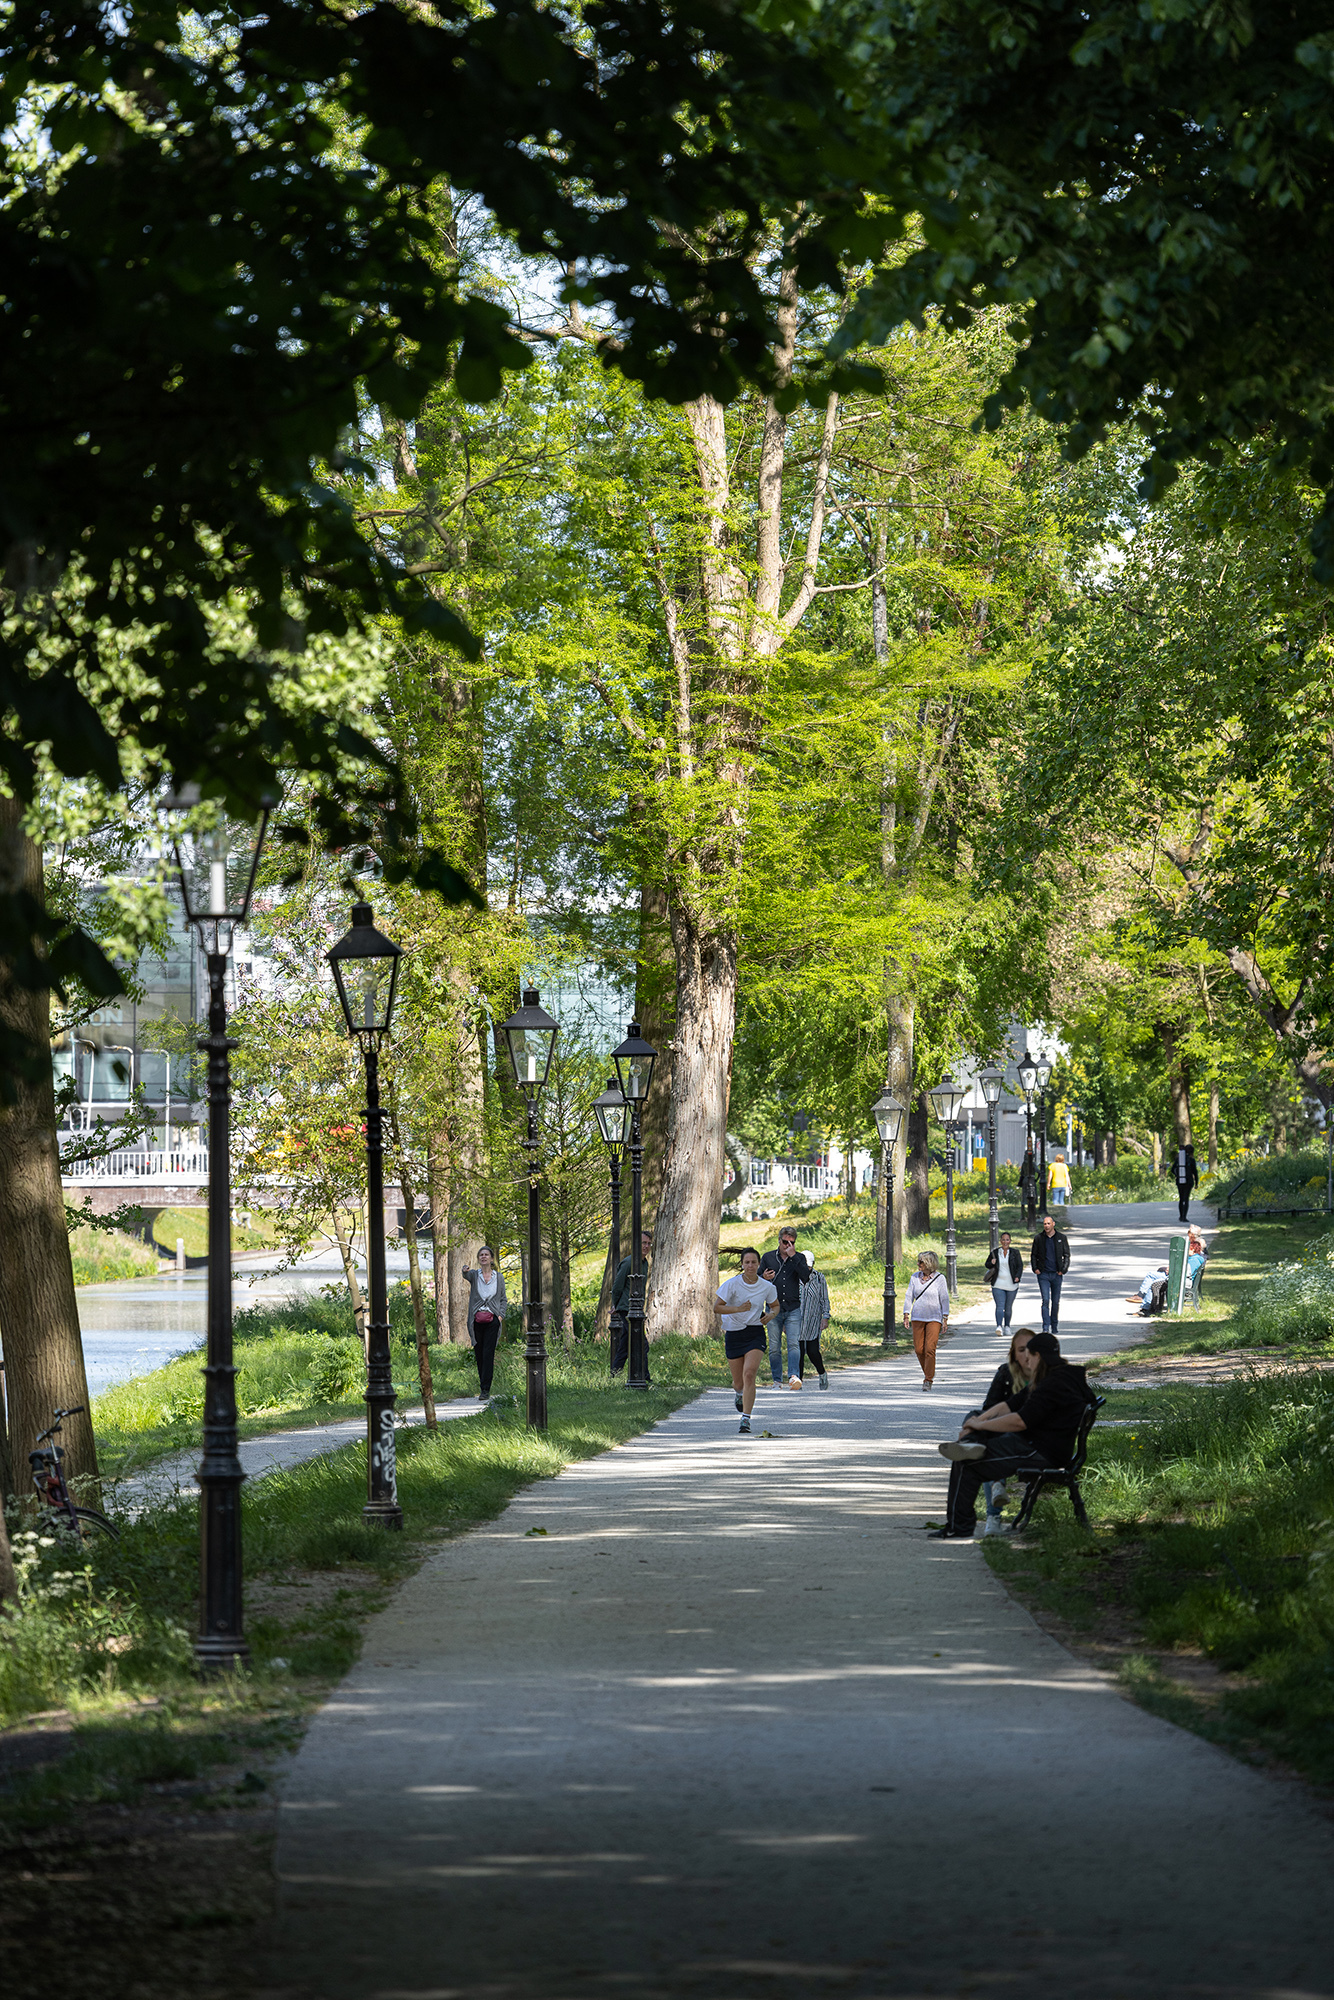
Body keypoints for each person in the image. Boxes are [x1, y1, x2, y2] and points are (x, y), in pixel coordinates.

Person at [930, 1329, 1094, 1538]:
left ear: (1038, 1357)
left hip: (1040, 1452)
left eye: (1030, 1356)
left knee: (967, 1463)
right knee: (974, 1434)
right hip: (1037, 1445)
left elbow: (1019, 1421)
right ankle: (971, 1444)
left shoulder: (1053, 1384)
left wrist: (980, 1427)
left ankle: (958, 1528)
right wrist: (978, 1421)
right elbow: (1010, 1405)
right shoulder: (1056, 1377)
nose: (1027, 1361)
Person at [972, 1331, 1034, 1535]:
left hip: (1032, 1440)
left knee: (990, 1445)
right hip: (1007, 1435)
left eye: (1031, 1350)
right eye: (1021, 1350)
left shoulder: (1045, 1378)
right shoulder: (1005, 1374)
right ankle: (996, 1488)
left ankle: (993, 1516)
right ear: (1014, 1354)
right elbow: (989, 1407)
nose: (1026, 1355)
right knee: (980, 1423)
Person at [712, 1247, 779, 1434]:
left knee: (749, 1374)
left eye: (754, 1262)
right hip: (734, 1333)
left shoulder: (767, 1287)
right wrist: (738, 1309)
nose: (750, 1266)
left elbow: (775, 1306)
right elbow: (717, 1308)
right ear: (742, 1264)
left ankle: (745, 1419)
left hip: (755, 1333)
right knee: (738, 1382)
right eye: (747, 1262)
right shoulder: (732, 1284)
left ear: (759, 1265)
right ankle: (739, 1393)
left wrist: (771, 1315)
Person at [759, 1225, 811, 1389]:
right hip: (773, 1309)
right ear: (779, 1240)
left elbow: (805, 1277)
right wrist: (764, 1277)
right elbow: (756, 1279)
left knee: (794, 1344)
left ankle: (794, 1377)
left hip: (793, 1308)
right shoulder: (768, 1257)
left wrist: (793, 1256)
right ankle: (776, 1380)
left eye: (791, 1242)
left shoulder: (799, 1258)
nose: (787, 1245)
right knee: (774, 1347)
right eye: (785, 1242)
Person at [462, 1246, 508, 1403]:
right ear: (478, 1258)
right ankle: (483, 1384)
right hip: (476, 1320)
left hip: (492, 1321)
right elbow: (465, 1274)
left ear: (492, 1258)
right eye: (481, 1255)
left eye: (486, 1255)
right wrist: (464, 1269)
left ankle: (485, 1389)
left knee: (488, 1353)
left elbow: (503, 1299)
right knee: (479, 1353)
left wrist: (500, 1316)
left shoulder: (499, 1277)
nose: (483, 1257)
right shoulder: (475, 1275)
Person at [903, 1248, 950, 1391]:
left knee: (930, 1349)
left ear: (929, 1263)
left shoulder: (940, 1278)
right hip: (918, 1317)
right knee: (919, 1349)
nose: (918, 1264)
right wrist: (906, 1314)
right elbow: (909, 1296)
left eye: (921, 1262)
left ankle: (928, 1379)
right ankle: (928, 1372)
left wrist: (945, 1317)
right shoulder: (914, 1277)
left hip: (934, 1317)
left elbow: (944, 1298)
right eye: (918, 1262)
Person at [610, 1229, 653, 1377]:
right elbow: (617, 1286)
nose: (646, 1246)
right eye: (643, 1243)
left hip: (636, 1309)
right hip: (626, 1308)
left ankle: (614, 1374)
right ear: (636, 1244)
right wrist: (616, 1304)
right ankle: (643, 1377)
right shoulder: (628, 1262)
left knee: (625, 1344)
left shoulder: (644, 1263)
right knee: (641, 1343)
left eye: (648, 1243)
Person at [1030, 1212, 1070, 1334]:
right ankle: (1045, 1326)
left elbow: (1066, 1255)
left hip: (1057, 1274)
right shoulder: (1038, 1238)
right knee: (1046, 1300)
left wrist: (1063, 1269)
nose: (1046, 1226)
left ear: (1053, 1224)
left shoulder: (1061, 1238)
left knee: (1055, 1301)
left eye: (1048, 1223)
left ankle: (1054, 1324)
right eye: (1044, 1224)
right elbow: (1033, 1255)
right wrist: (1035, 1268)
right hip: (1043, 1274)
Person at [797, 1251, 832, 1388]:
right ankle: (798, 1381)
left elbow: (824, 1299)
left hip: (813, 1320)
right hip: (797, 1320)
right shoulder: (793, 1277)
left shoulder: (819, 1278)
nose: (807, 1269)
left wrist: (825, 1317)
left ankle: (822, 1373)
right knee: (797, 1351)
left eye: (809, 1267)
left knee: (812, 1351)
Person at [983, 1231, 1023, 1333]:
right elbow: (987, 1264)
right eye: (1003, 1239)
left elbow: (1020, 1266)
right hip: (998, 1284)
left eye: (1007, 1239)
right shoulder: (995, 1252)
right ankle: (999, 1326)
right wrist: (991, 1263)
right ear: (1001, 1241)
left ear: (1010, 1241)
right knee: (1000, 1306)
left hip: (1011, 1284)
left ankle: (1007, 1326)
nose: (1005, 1242)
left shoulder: (1015, 1253)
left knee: (1008, 1307)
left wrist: (1017, 1276)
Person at [1173, 1142, 1199, 1221]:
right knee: (1186, 1199)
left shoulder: (1178, 1160)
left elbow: (1172, 1170)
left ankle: (1181, 1216)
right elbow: (1195, 1172)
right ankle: (1184, 1216)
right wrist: (1196, 1182)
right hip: (1189, 1181)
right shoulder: (1191, 1160)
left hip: (1180, 1181)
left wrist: (1177, 1175)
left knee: (1181, 1199)